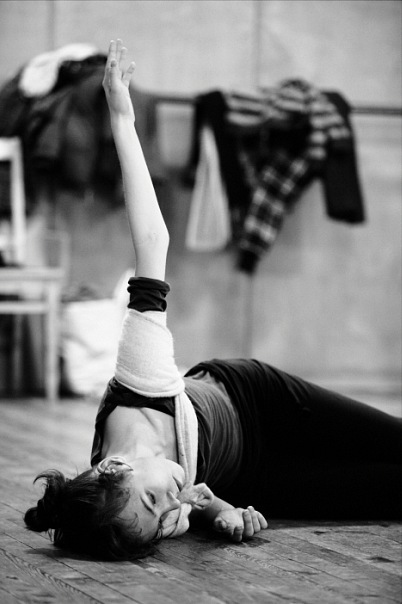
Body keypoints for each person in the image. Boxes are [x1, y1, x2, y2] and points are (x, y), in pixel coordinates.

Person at [24, 40, 402, 561]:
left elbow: (152, 241)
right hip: (256, 474)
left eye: (155, 500)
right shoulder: (135, 513)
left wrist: (122, 120)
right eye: (162, 524)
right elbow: (192, 499)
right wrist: (222, 510)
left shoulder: (139, 380)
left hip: (260, 403)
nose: (169, 508)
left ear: (112, 466)